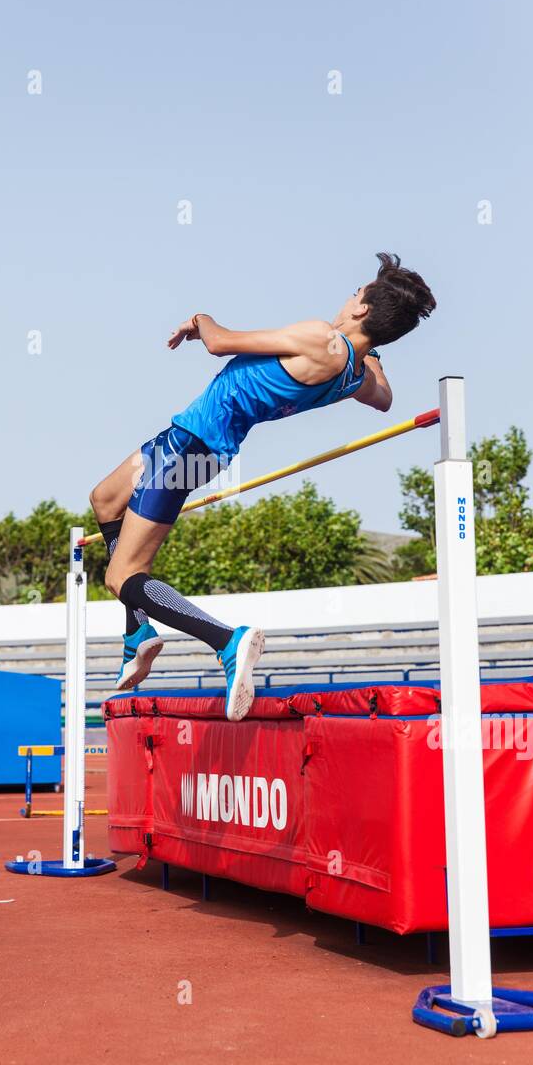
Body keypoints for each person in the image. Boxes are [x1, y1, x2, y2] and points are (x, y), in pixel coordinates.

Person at [89, 252, 436, 720]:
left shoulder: (322, 338)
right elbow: (386, 399)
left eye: (356, 293)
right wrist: (372, 351)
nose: (348, 297)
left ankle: (227, 641)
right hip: (195, 445)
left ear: (362, 309)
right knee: (104, 497)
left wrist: (199, 318)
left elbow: (220, 343)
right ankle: (137, 630)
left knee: (122, 576)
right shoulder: (353, 372)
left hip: (188, 446)